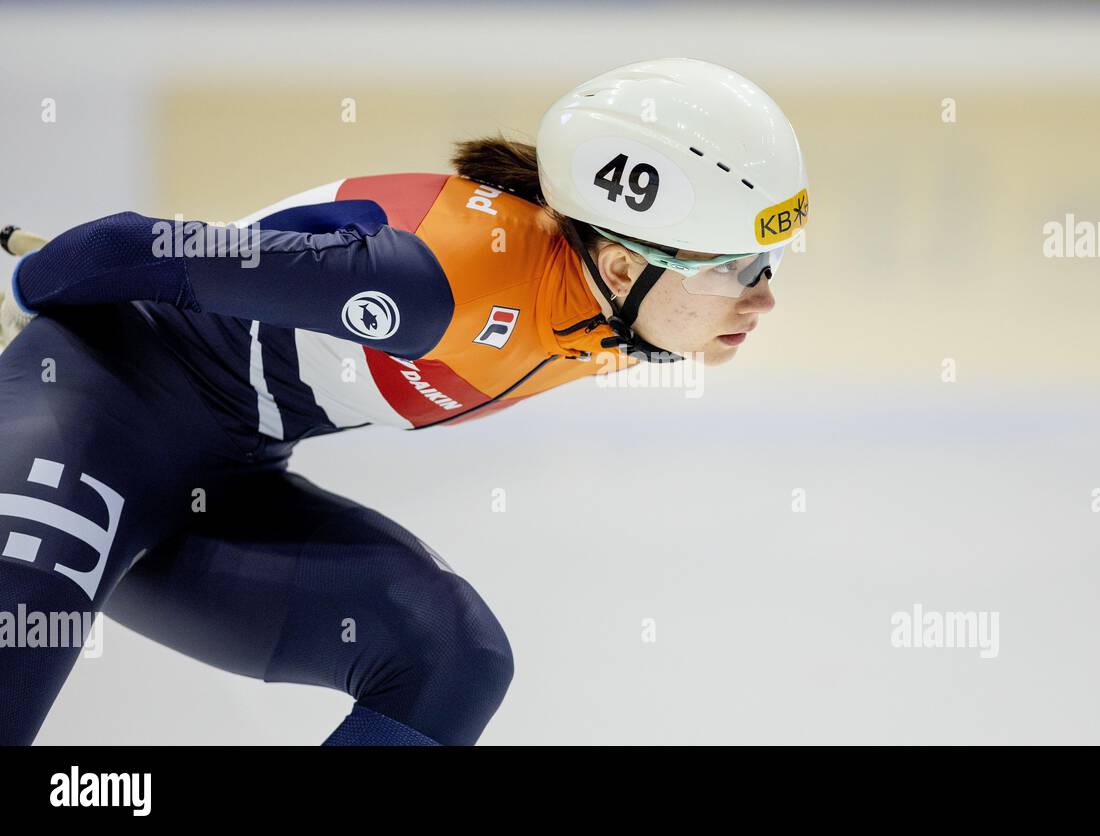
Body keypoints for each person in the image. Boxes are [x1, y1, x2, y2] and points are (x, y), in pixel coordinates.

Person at [0, 57, 809, 745]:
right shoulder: (440, 283)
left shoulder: (623, 313)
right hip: (80, 416)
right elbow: (134, 246)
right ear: (627, 268)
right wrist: (20, 293)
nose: (762, 299)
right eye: (735, 268)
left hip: (225, 480)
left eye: (767, 263)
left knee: (451, 658)